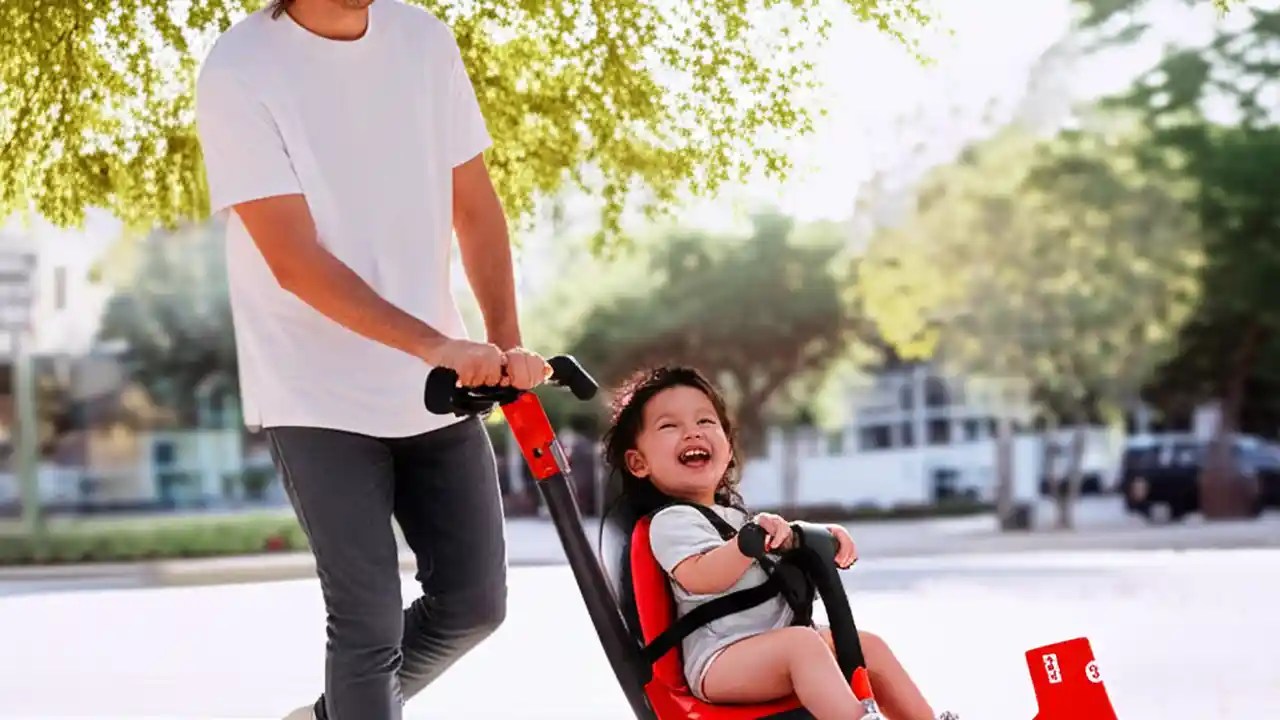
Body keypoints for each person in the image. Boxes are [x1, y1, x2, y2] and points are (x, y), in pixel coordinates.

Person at [192, 0, 546, 718]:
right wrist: (438, 346)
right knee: (367, 625)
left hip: (434, 385)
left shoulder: (423, 40)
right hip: (313, 389)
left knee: (475, 603)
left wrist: (503, 340)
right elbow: (294, 262)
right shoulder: (239, 69)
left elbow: (474, 206)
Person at [602, 366, 957, 720]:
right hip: (721, 661)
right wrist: (744, 546)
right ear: (638, 463)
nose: (692, 433)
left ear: (727, 450)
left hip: (774, 642)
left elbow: (783, 540)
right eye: (669, 426)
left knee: (868, 646)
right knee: (802, 645)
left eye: (706, 422)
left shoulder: (735, 519)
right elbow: (699, 575)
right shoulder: (670, 521)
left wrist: (821, 537)